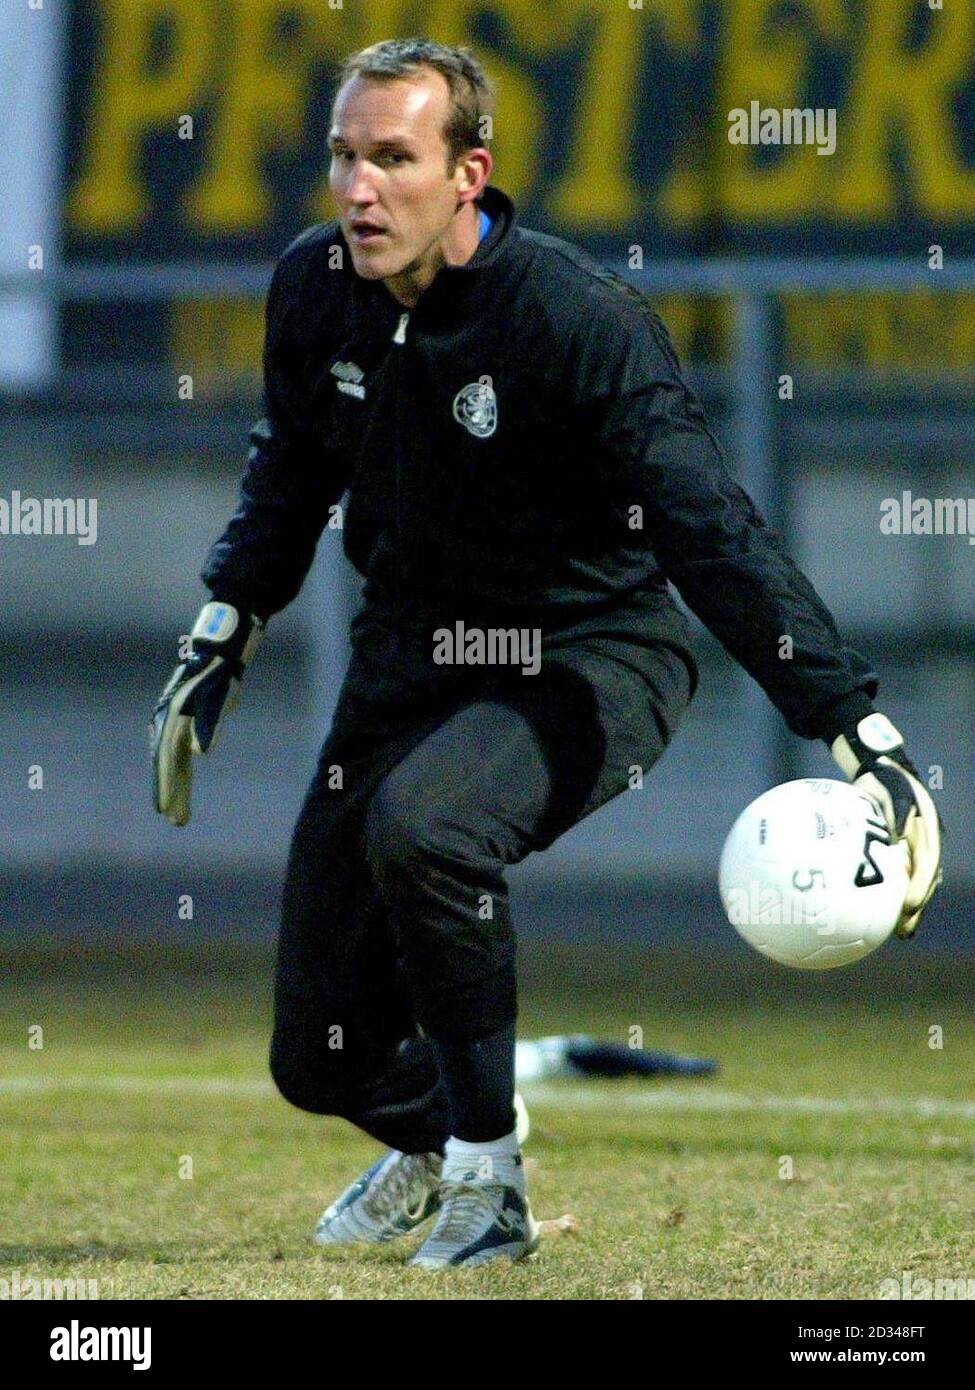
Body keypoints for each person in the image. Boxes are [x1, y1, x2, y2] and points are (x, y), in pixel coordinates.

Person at [151, 37, 942, 1271]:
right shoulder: (315, 287)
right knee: (320, 1058)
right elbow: (292, 469)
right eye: (345, 158)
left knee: (427, 827)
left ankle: (490, 1187)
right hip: (410, 659)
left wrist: (858, 728)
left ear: (469, 174)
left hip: (592, 653)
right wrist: (225, 625)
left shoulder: (576, 319)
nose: (359, 189)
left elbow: (710, 530)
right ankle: (440, 1139)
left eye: (393, 160)